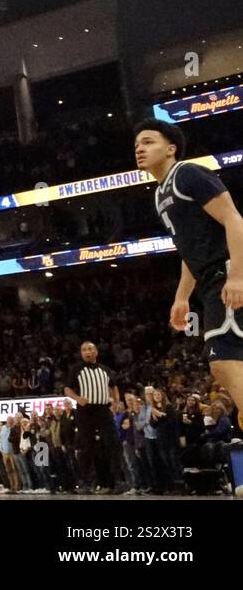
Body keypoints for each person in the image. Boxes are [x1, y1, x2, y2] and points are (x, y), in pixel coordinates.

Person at [134, 120, 243, 409]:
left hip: (227, 271)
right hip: (210, 279)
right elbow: (188, 250)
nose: (139, 149)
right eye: (137, 145)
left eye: (148, 142)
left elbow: (234, 218)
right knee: (228, 359)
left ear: (171, 149)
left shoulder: (187, 173)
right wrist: (182, 297)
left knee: (225, 359)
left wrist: (237, 277)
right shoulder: (160, 195)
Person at [63, 341, 127, 494]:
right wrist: (78, 399)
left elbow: (114, 386)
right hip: (85, 411)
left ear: (96, 352)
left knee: (114, 443)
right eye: (84, 350)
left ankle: (118, 481)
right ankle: (85, 482)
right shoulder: (76, 369)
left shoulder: (105, 369)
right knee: (87, 447)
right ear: (81, 353)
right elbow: (67, 388)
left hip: (103, 410)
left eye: (90, 349)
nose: (87, 352)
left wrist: (116, 402)